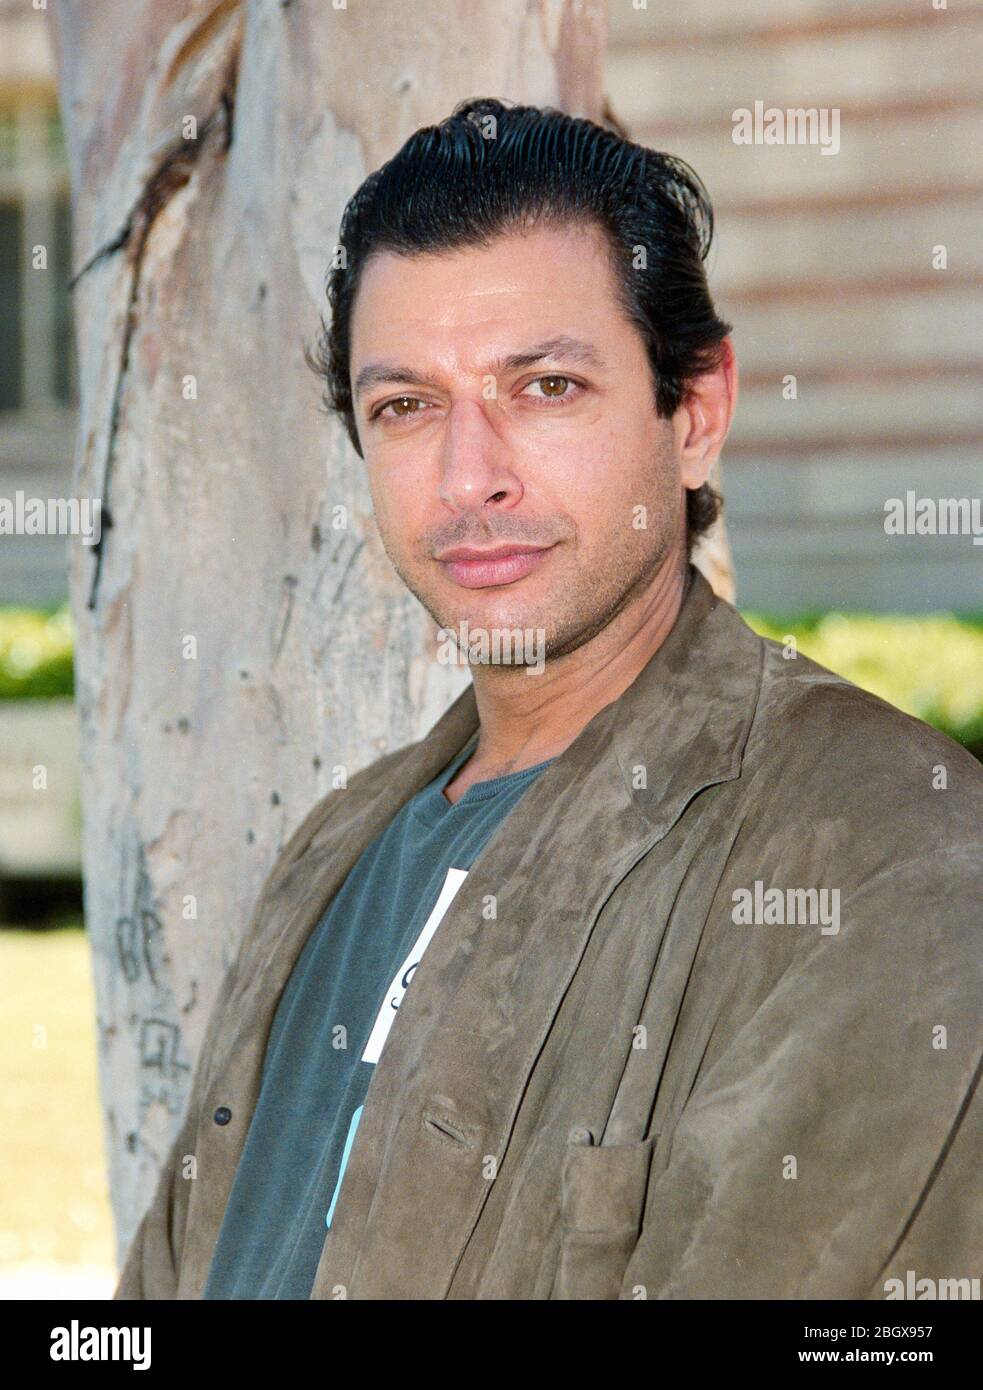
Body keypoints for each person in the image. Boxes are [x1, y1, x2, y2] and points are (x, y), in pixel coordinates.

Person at [114, 98, 983, 1301]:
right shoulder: (334, 849)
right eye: (406, 406)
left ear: (696, 412)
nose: (470, 478)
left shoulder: (889, 852)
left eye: (547, 387)